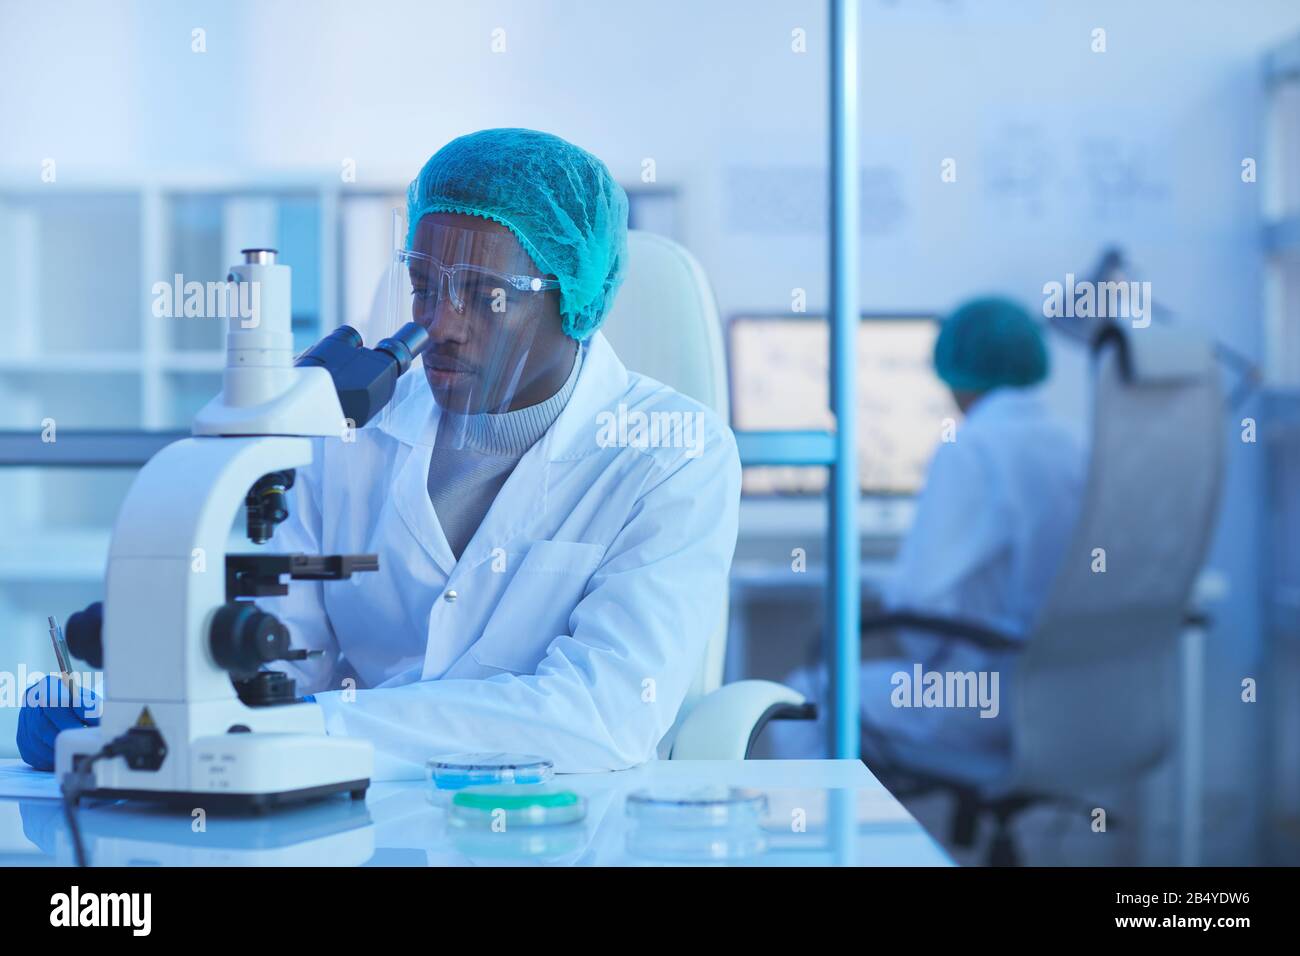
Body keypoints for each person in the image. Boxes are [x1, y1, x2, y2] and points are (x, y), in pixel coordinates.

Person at [18, 129, 741, 776]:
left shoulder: (671, 455)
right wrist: (138, 709)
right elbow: (283, 655)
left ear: (572, 302)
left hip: (558, 831)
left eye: (481, 296)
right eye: (423, 285)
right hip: (346, 817)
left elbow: (600, 719)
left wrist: (321, 726)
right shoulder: (352, 429)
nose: (437, 324)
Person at [768, 297, 1085, 761]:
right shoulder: (1079, 443)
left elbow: (918, 604)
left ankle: (844, 833)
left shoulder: (971, 448)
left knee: (803, 701)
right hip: (1072, 699)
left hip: (980, 698)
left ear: (956, 374)